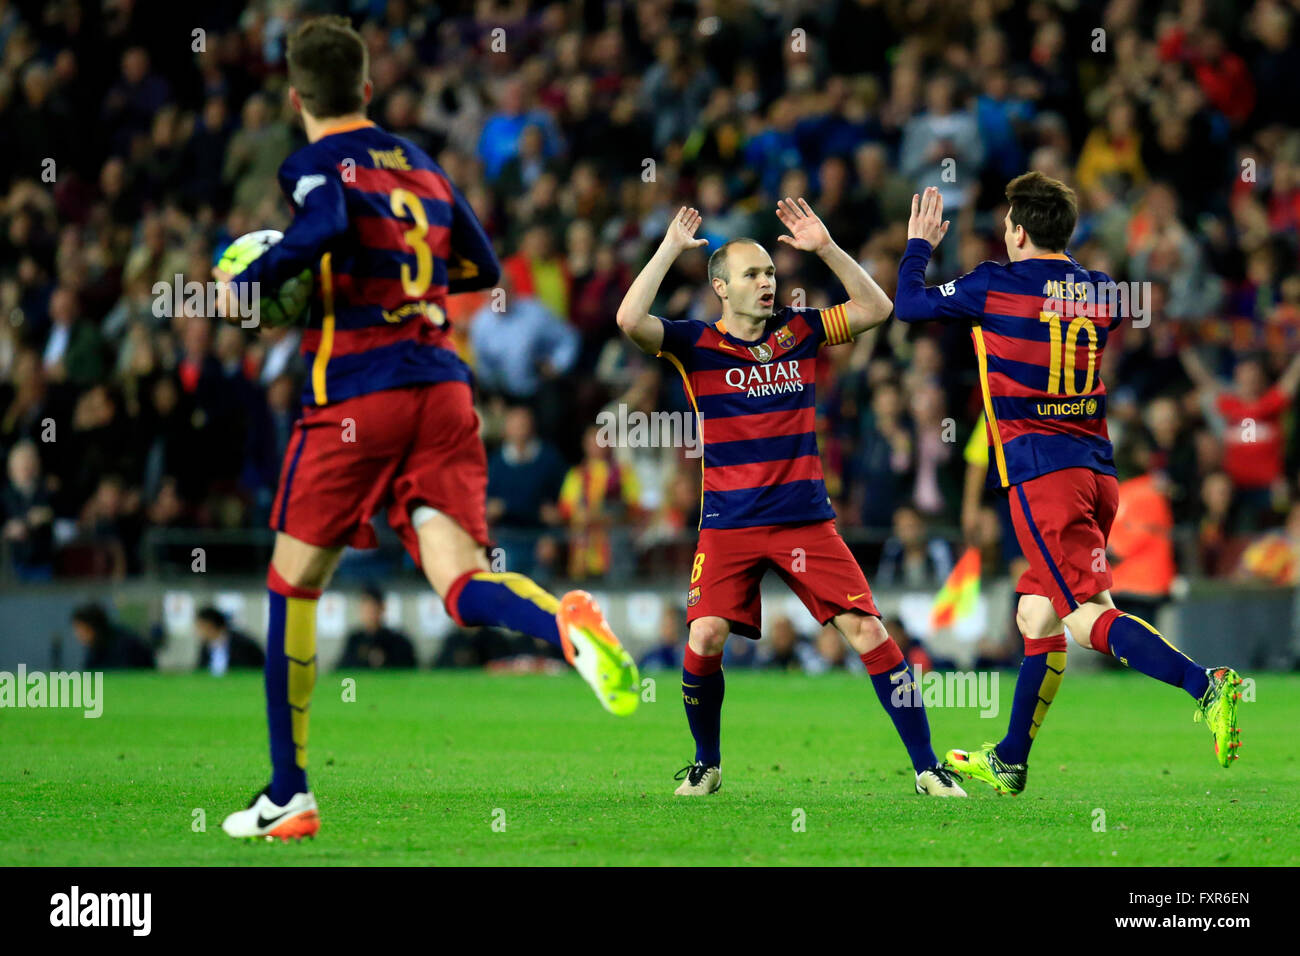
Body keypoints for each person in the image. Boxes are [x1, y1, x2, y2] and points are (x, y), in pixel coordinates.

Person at [213, 17, 638, 842]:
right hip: (443, 390)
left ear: (297, 98)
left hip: (359, 393)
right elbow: (477, 263)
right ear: (368, 90)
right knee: (461, 584)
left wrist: (258, 284)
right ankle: (565, 627)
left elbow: (329, 221)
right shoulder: (421, 164)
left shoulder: (312, 164)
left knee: (292, 585)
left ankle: (288, 792)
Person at [895, 174, 1244, 795]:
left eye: (1008, 222)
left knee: (1086, 616)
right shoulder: (1102, 291)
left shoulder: (994, 283)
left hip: (1041, 475)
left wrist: (918, 245)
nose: (1004, 230)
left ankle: (1207, 685)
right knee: (1036, 614)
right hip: (1096, 472)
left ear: (1019, 230)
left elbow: (911, 304)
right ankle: (1010, 758)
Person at [616, 201, 966, 798]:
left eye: (770, 273)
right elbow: (629, 319)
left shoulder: (798, 332)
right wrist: (670, 248)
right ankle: (707, 763)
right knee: (703, 638)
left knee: (869, 632)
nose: (767, 282)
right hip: (729, 525)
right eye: (752, 274)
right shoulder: (695, 345)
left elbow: (878, 308)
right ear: (721, 287)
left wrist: (826, 248)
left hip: (806, 521)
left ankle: (928, 767)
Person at [338, 586, 416, 669]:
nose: (369, 613)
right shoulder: (354, 640)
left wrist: (385, 660)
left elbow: (409, 666)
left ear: (382, 608)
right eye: (366, 608)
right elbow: (341, 669)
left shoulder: (397, 640)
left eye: (373, 607)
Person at [71, 603, 154, 670]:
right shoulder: (95, 649)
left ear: (93, 628)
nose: (78, 635)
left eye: (82, 630)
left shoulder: (123, 645)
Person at [195, 606, 266, 675]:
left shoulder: (243, 644)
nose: (198, 631)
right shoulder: (206, 647)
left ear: (211, 626)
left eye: (200, 627)